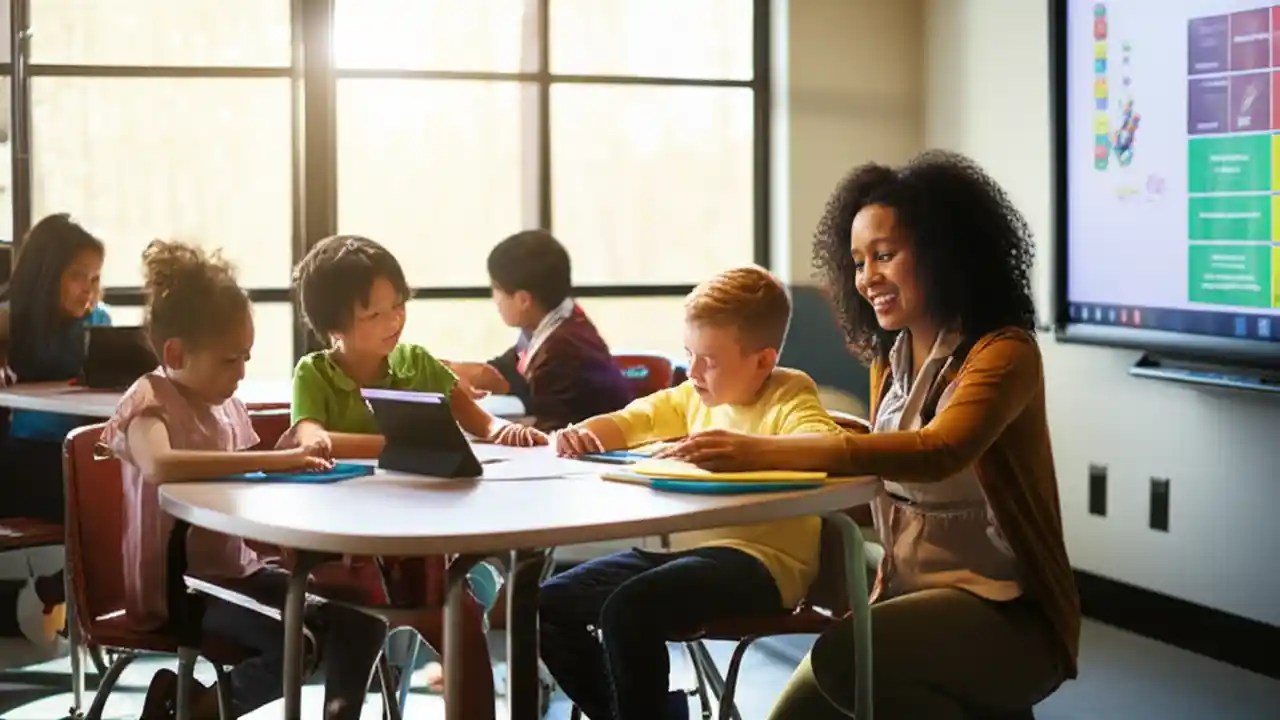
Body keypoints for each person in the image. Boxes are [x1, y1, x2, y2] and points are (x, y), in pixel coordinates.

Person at [660, 151, 1081, 719]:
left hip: (1003, 610)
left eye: (884, 255)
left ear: (943, 252)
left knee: (846, 665)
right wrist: (795, 429)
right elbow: (887, 464)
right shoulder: (893, 359)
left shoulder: (1003, 353)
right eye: (857, 262)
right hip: (905, 597)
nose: (866, 279)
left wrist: (765, 448)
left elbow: (937, 451)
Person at [543, 265, 843, 720]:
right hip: (684, 553)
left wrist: (744, 449)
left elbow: (825, 446)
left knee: (629, 611)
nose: (694, 371)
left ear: (762, 361)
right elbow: (635, 419)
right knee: (544, 605)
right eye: (689, 354)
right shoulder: (693, 395)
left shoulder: (788, 393)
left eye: (711, 360)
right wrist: (583, 434)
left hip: (762, 565)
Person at [103, 240, 387, 719]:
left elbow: (249, 470)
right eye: (229, 360)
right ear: (175, 352)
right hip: (182, 588)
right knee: (296, 644)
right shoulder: (149, 399)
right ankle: (196, 710)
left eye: (247, 358)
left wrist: (293, 454)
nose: (242, 373)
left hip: (240, 572)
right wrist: (278, 463)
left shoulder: (226, 404)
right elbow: (160, 465)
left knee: (363, 626)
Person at [284, 234, 542, 712]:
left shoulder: (418, 363)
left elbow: (483, 424)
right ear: (333, 326)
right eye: (373, 315)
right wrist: (401, 447)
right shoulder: (313, 373)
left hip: (424, 545)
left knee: (461, 620)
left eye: (398, 306)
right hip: (348, 550)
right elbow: (310, 437)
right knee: (353, 646)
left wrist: (508, 433)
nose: (393, 321)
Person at [447, 230, 632, 431]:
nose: (495, 300)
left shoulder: (566, 349)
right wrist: (462, 372)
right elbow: (510, 369)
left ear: (523, 300)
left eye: (496, 289)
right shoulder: (556, 321)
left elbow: (550, 429)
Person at [0, 214, 112, 522]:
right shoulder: (11, 320)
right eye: (77, 276)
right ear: (46, 275)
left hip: (88, 448)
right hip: (30, 448)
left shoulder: (99, 323)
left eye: (95, 278)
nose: (87, 289)